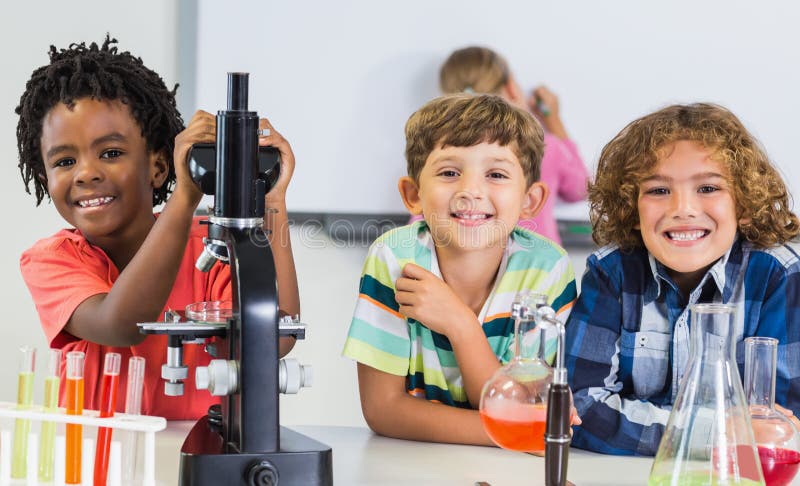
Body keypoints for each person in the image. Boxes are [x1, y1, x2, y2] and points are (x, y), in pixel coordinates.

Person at [16, 37, 299, 420]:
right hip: (100, 452)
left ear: (160, 167)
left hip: (199, 449)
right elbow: (122, 325)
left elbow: (276, 337)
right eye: (64, 161)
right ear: (44, 177)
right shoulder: (53, 261)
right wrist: (186, 195)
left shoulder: (213, 247)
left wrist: (272, 199)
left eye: (111, 153)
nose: (86, 173)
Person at [565, 103, 800, 455]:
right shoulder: (611, 272)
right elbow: (578, 406)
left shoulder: (778, 276)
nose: (683, 209)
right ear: (631, 209)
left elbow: (781, 426)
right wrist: (716, 433)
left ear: (744, 204)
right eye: (659, 190)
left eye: (708, 188)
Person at [342, 93, 578, 445]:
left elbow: (524, 406)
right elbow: (383, 408)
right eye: (450, 172)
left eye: (496, 174)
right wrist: (517, 430)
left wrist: (460, 325)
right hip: (413, 464)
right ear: (413, 194)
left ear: (530, 201)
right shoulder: (394, 258)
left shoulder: (547, 269)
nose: (470, 191)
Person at [435, 46, 589, 245]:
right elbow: (581, 189)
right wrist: (553, 121)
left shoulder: (436, 152)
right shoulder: (541, 147)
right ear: (510, 88)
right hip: (537, 261)